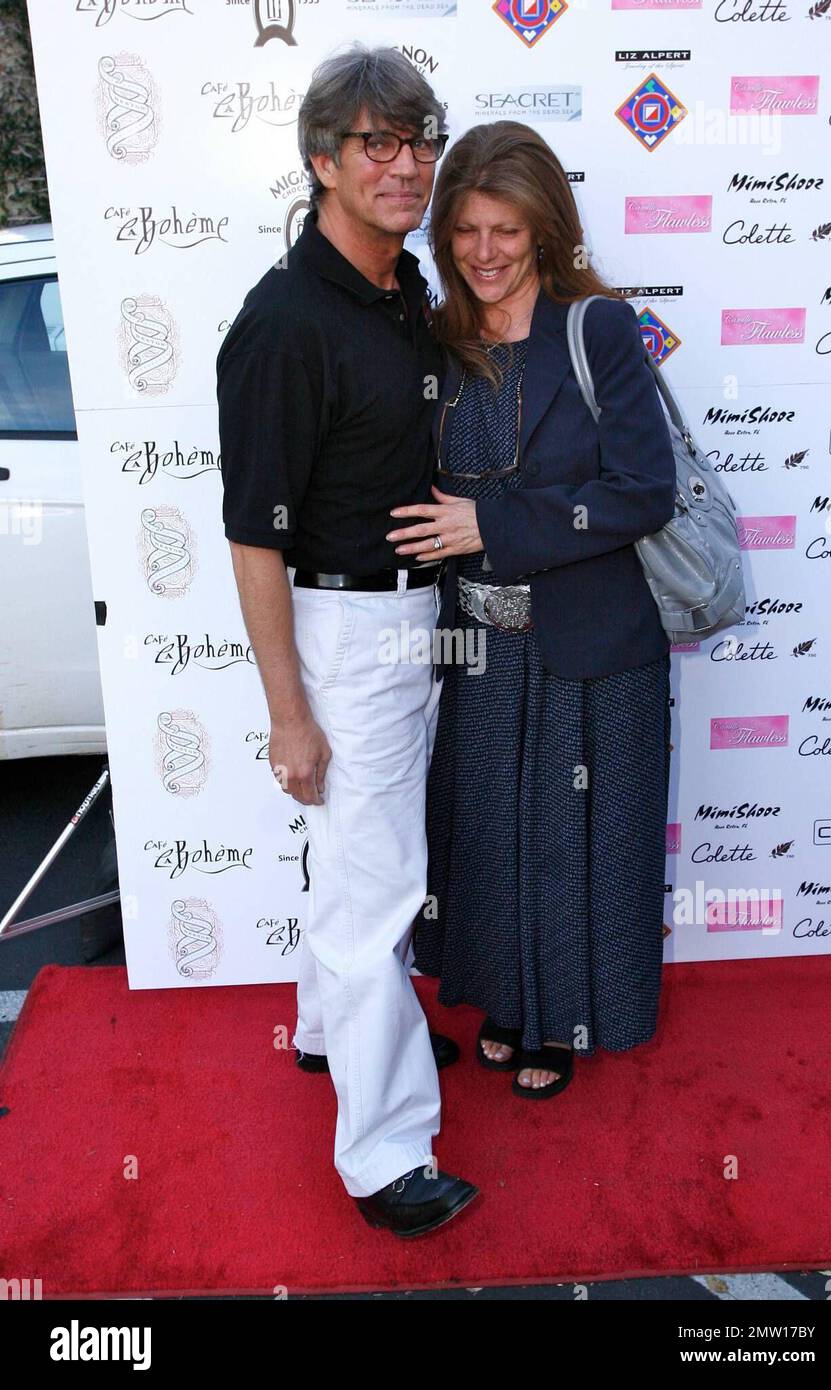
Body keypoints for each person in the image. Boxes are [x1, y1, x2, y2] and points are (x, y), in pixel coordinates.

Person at [216, 44, 478, 1235]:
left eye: (420, 141)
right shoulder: (283, 325)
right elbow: (252, 539)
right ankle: (384, 1157)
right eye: (378, 142)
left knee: (363, 859)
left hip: (414, 621)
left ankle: (329, 1030)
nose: (406, 165)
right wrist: (288, 714)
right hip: (344, 627)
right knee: (377, 887)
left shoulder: (401, 288)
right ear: (322, 160)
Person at [388, 121, 678, 1099]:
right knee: (490, 832)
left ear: (544, 228)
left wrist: (494, 523)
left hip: (589, 643)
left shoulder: (594, 330)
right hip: (476, 645)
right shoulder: (436, 340)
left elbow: (643, 491)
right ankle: (509, 1002)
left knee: (573, 840)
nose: (484, 252)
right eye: (465, 229)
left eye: (505, 230)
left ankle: (564, 1020)